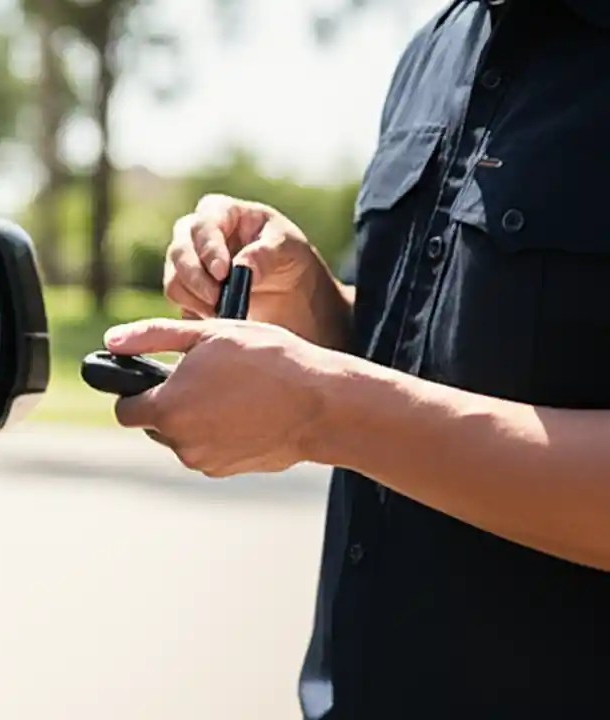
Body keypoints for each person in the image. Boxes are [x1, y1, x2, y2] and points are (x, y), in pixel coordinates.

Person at [106, 1, 610, 717]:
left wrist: (321, 409)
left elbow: (360, 406)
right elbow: (422, 356)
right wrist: (310, 305)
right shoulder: (436, 50)